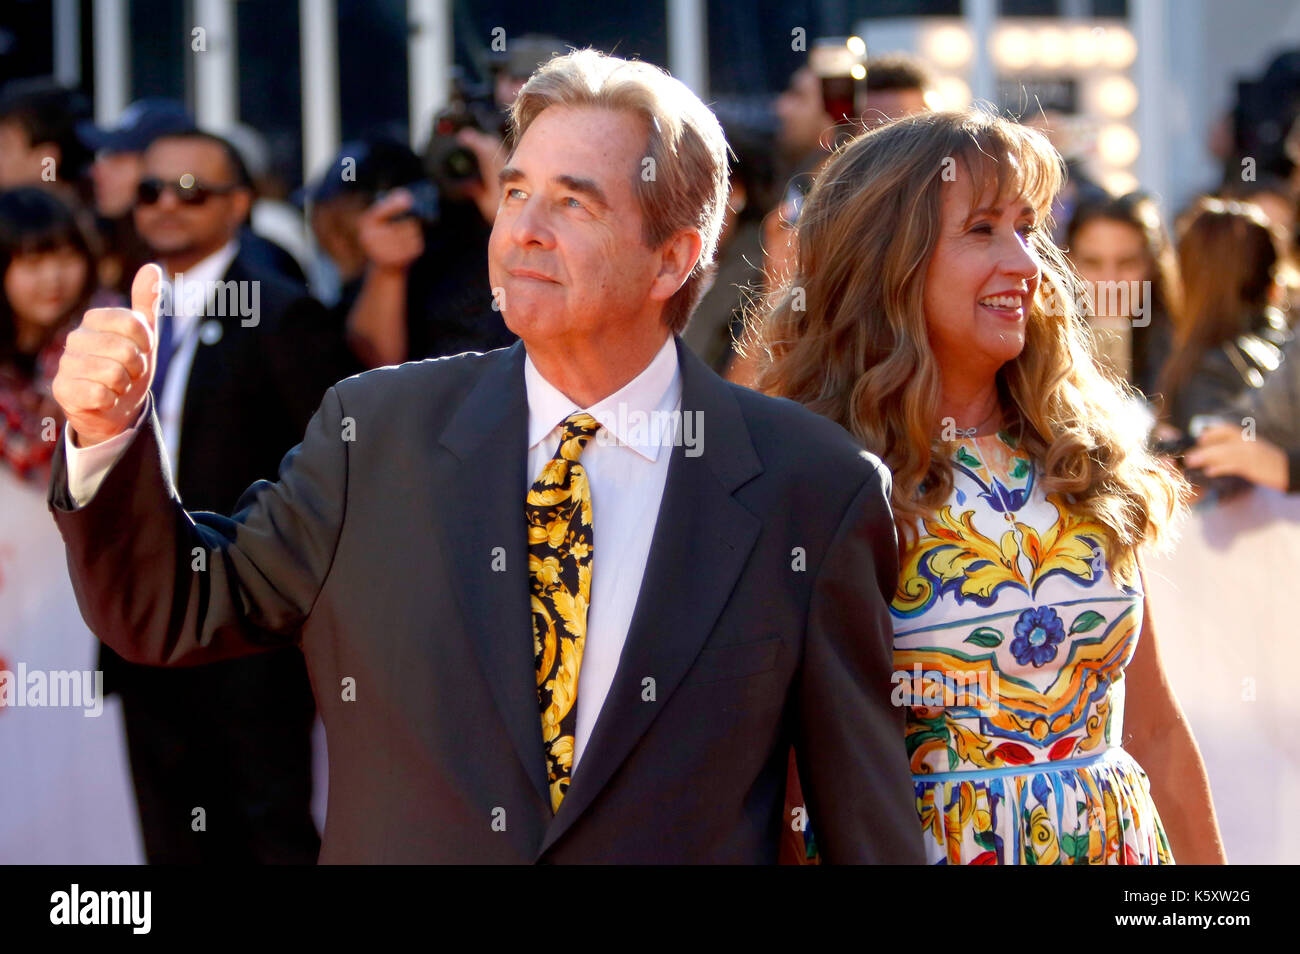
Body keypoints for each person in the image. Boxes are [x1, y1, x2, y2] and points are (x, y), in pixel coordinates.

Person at [48, 49, 924, 864]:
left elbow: (862, 821)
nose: (522, 232)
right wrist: (107, 438)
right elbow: (175, 607)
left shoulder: (812, 486)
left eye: (573, 202)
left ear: (674, 258)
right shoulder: (374, 432)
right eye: (515, 193)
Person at [757, 109, 1226, 864]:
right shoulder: (815, 474)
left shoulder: (1081, 452)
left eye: (1029, 228)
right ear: (889, 260)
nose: (1026, 263)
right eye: (982, 230)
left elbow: (1156, 729)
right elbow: (785, 785)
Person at [74, 128, 360, 864]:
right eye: (151, 190)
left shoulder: (280, 309)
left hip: (250, 624)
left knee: (267, 826)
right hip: (145, 622)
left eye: (191, 190)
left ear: (238, 204)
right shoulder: (124, 310)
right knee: (167, 829)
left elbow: (335, 469)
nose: (167, 205)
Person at [0, 186, 142, 862]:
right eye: (28, 261)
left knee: (83, 758)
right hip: (12, 593)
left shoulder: (104, 334)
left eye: (61, 256)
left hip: (88, 583)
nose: (50, 277)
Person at [1157, 197, 1290, 439]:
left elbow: (1217, 468)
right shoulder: (1288, 359)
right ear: (1274, 285)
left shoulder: (1207, 372)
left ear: (1185, 280)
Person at [1064, 191, 1181, 400]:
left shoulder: (1184, 352)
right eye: (1093, 263)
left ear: (1152, 264)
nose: (1110, 282)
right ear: (1071, 264)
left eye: (1127, 263)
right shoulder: (1041, 352)